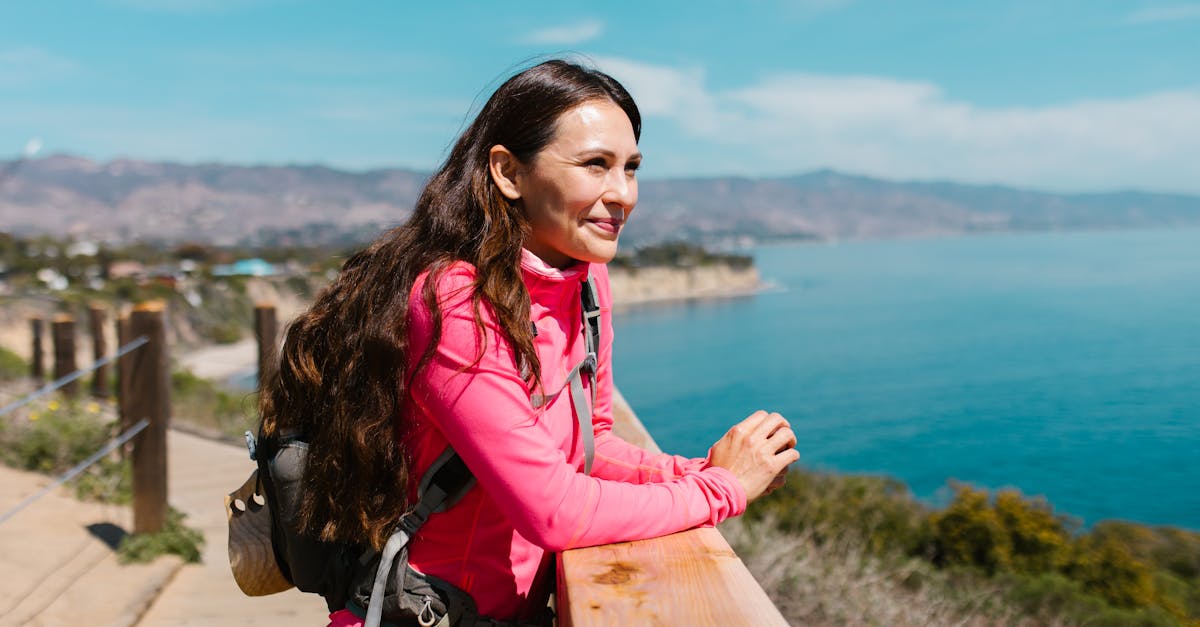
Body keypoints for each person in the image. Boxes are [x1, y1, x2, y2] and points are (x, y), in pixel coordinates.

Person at [257, 59, 799, 627]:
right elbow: (554, 510)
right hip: (424, 613)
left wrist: (692, 472)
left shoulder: (586, 281)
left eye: (631, 168)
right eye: (595, 165)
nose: (623, 194)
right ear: (509, 173)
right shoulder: (456, 302)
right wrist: (723, 489)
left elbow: (591, 447)